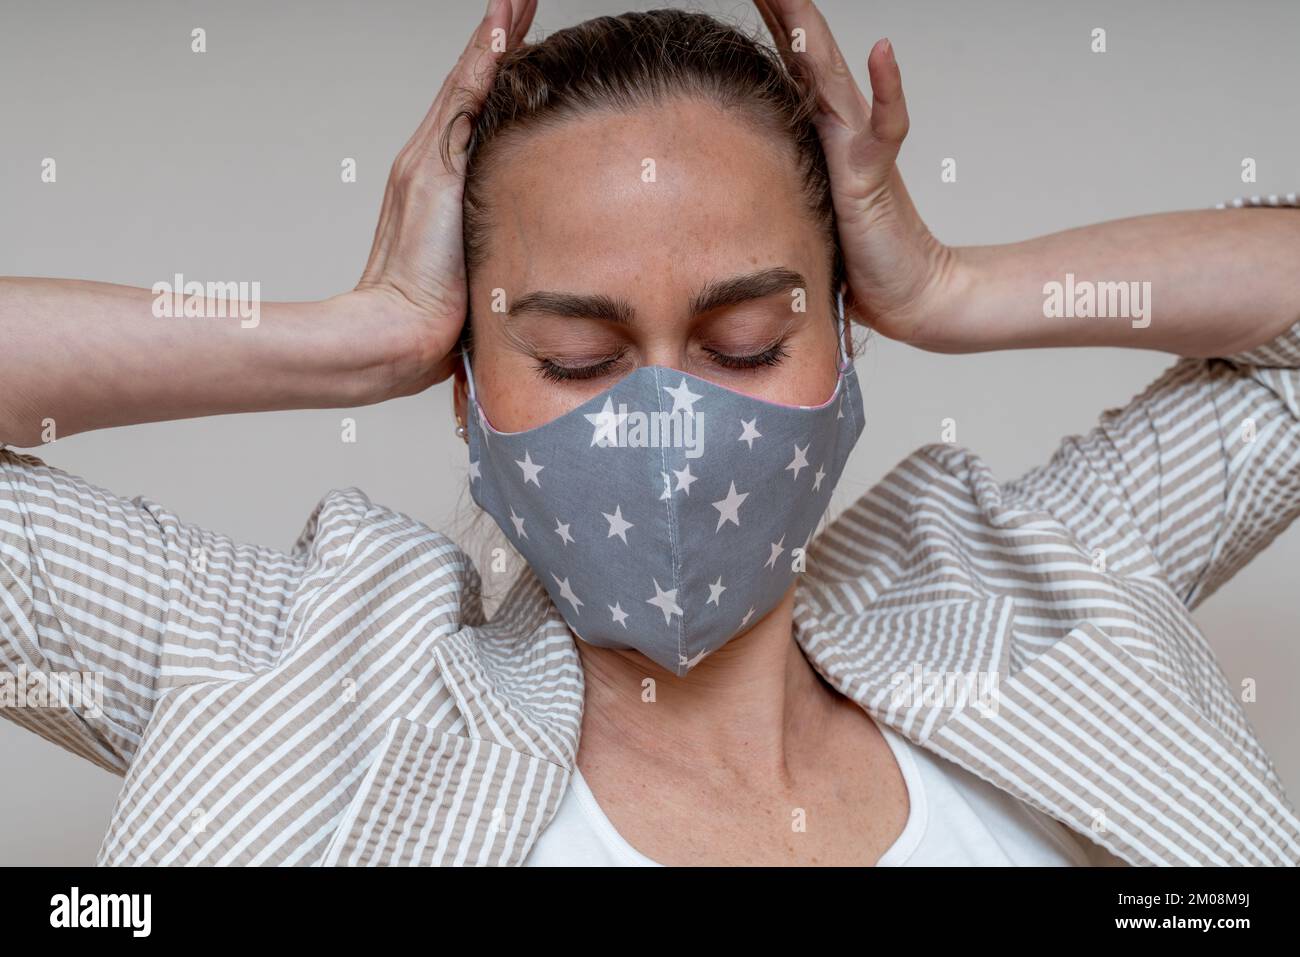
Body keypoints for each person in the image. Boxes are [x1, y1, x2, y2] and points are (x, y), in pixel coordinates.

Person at [2, 1, 1298, 866]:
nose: (667, 425)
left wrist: (948, 285)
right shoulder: (305, 686)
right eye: (577, 357)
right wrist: (361, 333)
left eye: (746, 344)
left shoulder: (1033, 592)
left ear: (844, 346)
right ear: (470, 393)